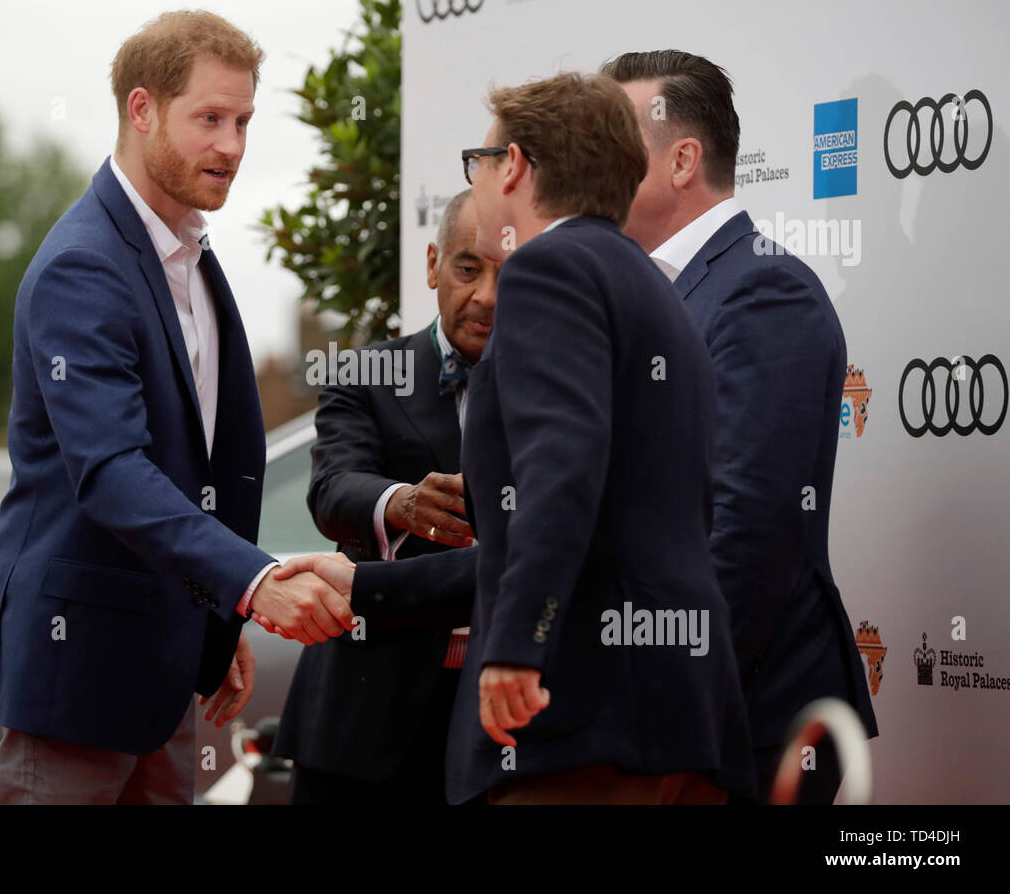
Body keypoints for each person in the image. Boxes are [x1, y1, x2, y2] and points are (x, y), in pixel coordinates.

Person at [273, 71, 754, 804]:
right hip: (676, 713)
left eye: (482, 162)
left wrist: (517, 645)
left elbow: (562, 473)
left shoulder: (549, 268)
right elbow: (586, 527)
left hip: (578, 717)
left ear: (517, 167)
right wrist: (368, 582)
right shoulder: (653, 287)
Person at [0, 10, 353, 804]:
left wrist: (216, 623)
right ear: (141, 109)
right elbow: (112, 473)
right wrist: (253, 582)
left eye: (244, 121)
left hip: (167, 673)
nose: (232, 146)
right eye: (209, 119)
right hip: (75, 679)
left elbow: (203, 465)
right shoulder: (83, 265)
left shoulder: (189, 256)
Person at [602, 49, 878, 803]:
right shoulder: (656, 294)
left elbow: (748, 532)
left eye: (611, 141)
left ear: (682, 159)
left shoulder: (761, 289)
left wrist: (653, 700)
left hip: (745, 729)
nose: (590, 165)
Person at [274, 190, 498, 804]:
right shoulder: (363, 372)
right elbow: (332, 488)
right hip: (365, 717)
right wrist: (399, 501)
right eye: (468, 268)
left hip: (508, 719)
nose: (486, 296)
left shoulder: (561, 385)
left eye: (508, 272)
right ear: (432, 264)